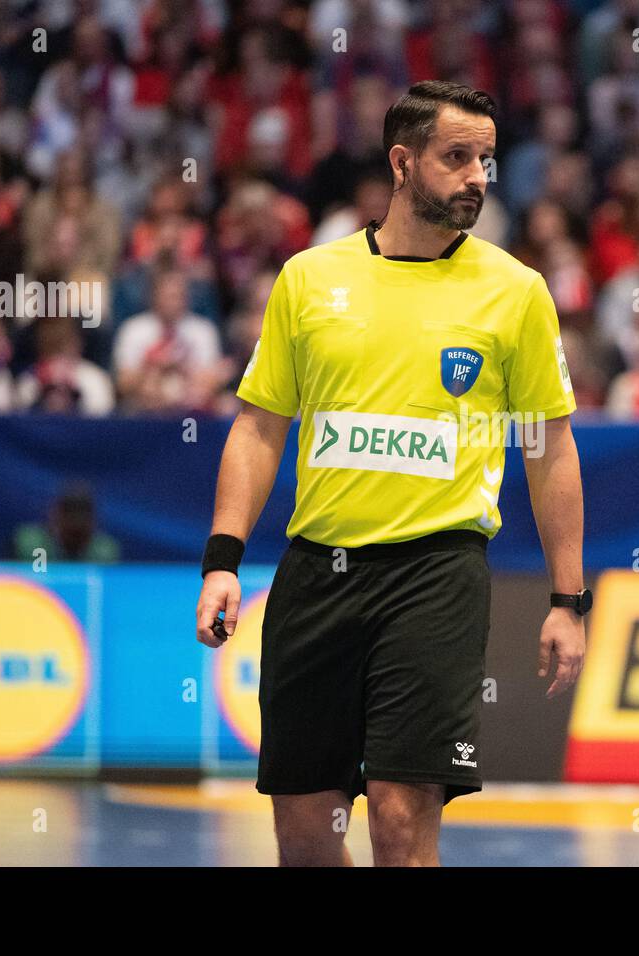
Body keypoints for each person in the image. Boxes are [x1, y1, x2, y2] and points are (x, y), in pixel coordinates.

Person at [194, 81, 589, 867]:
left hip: (435, 576)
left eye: (486, 159)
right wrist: (222, 561)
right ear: (402, 163)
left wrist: (567, 599)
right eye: (457, 157)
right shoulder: (309, 279)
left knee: (402, 822)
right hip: (316, 576)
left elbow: (548, 450)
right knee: (305, 835)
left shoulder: (515, 293)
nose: (478, 175)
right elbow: (260, 427)